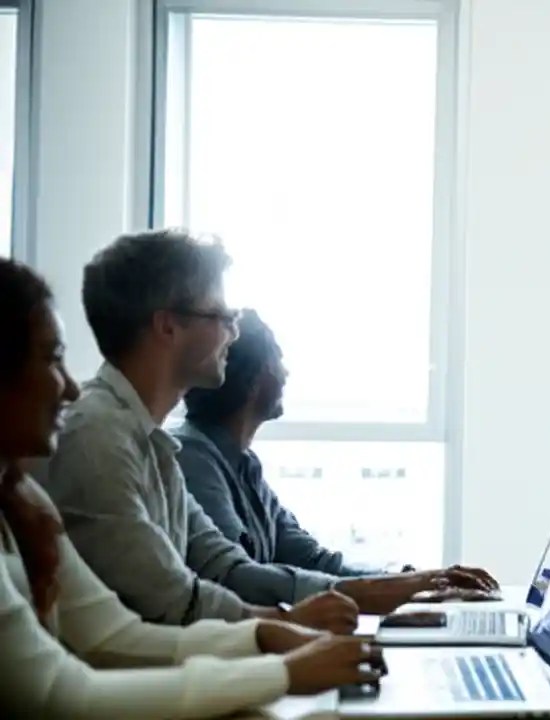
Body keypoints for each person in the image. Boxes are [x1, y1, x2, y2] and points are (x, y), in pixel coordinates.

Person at [36, 230, 495, 633]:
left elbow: (223, 566)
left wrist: (405, 586)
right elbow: (178, 602)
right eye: (220, 316)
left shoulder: (153, 444)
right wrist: (297, 623)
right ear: (168, 325)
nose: (232, 333)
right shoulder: (99, 437)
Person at [0, 257, 383, 718]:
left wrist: (263, 635)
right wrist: (282, 666)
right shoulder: (97, 434)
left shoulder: (28, 498)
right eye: (52, 358)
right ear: (167, 326)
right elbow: (62, 691)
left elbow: (112, 634)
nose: (70, 389)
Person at [174, 309, 427, 578]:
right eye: (278, 359)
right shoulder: (193, 459)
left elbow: (309, 559)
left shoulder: (244, 465)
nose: (286, 373)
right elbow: (237, 577)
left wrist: (401, 581)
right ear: (254, 377)